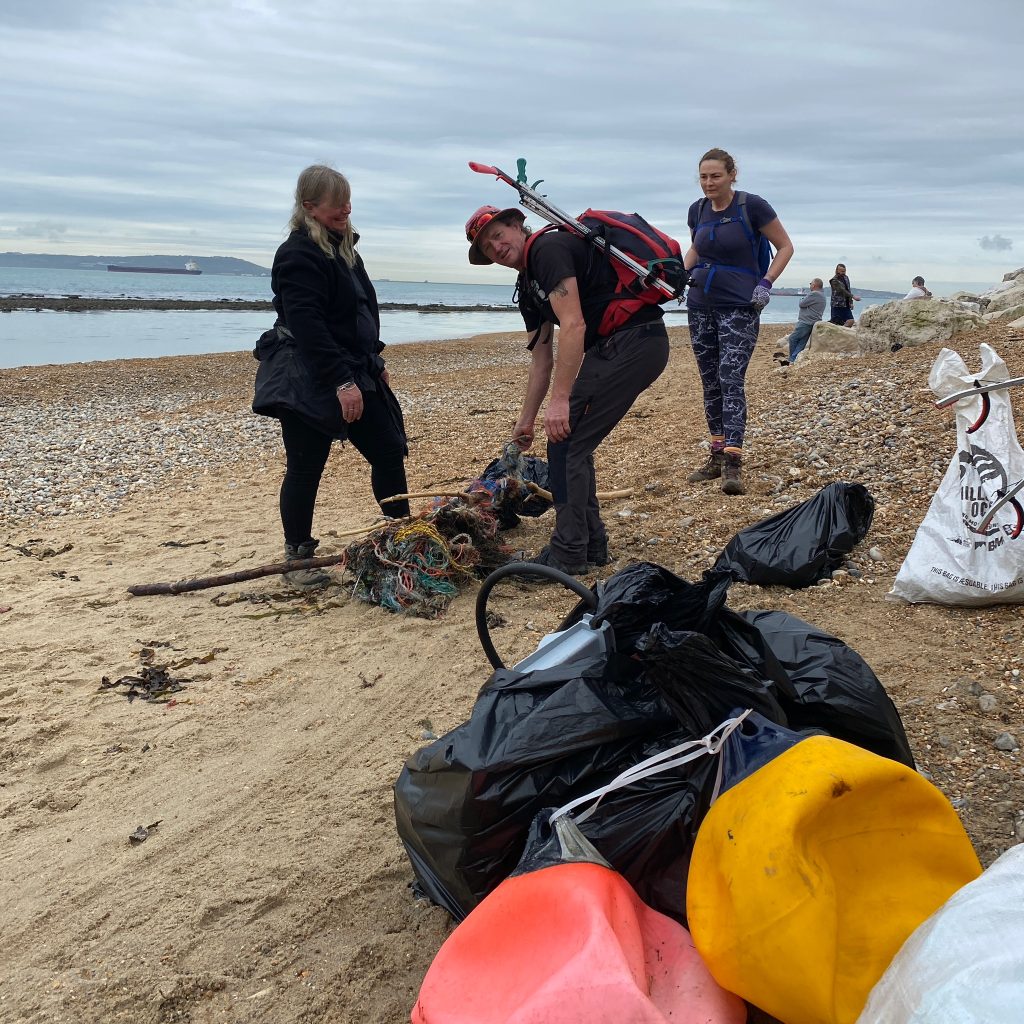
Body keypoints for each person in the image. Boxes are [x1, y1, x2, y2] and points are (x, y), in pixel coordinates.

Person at [464, 203, 671, 576]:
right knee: (569, 443)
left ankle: (568, 552)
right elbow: (541, 359)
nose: (496, 247)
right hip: (616, 347)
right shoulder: (527, 286)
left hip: (634, 342)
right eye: (486, 247)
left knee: (568, 444)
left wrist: (560, 400)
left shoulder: (548, 250)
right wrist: (526, 420)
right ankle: (590, 545)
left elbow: (573, 326)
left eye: (498, 235)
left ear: (518, 225)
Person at [253, 164, 410, 587]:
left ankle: (402, 538)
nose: (346, 207)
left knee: (389, 449)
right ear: (309, 207)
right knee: (305, 467)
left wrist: (375, 361)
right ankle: (297, 558)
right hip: (308, 375)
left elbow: (358, 314)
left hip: (356, 367)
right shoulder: (297, 254)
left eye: (348, 199)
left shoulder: (345, 250)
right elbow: (308, 327)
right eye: (336, 202)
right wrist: (342, 382)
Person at [682, 147, 794, 496]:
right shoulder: (697, 210)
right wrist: (676, 278)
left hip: (740, 306)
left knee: (730, 377)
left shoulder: (752, 206)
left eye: (715, 175)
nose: (708, 183)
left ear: (732, 174)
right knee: (709, 381)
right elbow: (697, 250)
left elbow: (786, 246)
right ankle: (716, 453)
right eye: (703, 176)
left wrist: (766, 283)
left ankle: (733, 460)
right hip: (701, 303)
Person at [786, 278, 826, 361]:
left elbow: (801, 304)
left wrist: (802, 299)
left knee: (793, 338)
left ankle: (792, 358)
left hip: (806, 322)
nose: (810, 285)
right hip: (813, 322)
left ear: (814, 285)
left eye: (811, 283)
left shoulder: (814, 294)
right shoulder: (822, 295)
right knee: (802, 342)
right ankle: (795, 358)